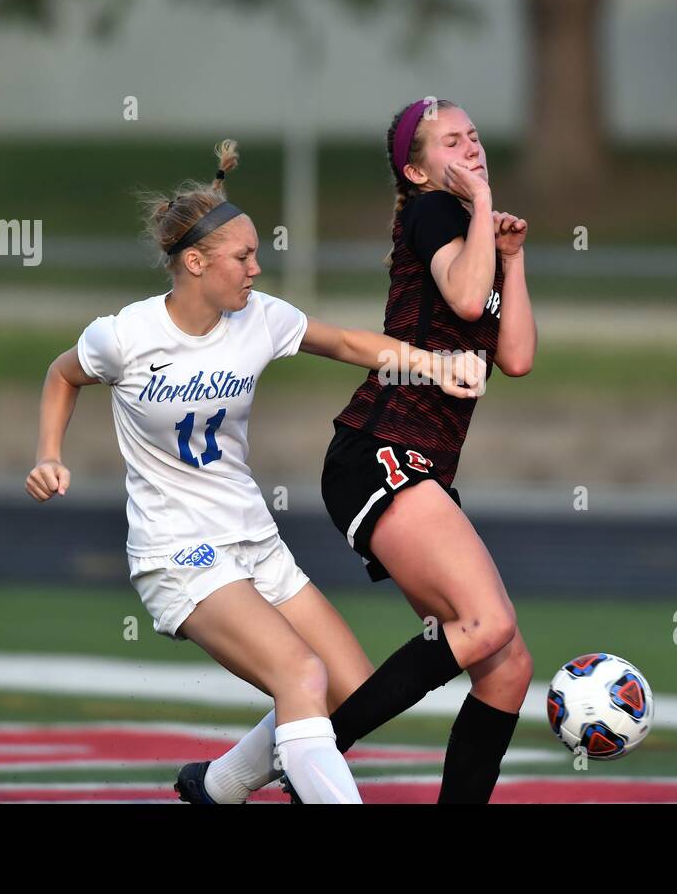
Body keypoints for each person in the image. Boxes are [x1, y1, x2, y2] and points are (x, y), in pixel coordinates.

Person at [25, 140, 484, 805]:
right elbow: (61, 374)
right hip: (177, 550)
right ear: (194, 261)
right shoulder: (124, 335)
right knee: (299, 673)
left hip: (252, 537)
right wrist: (47, 454)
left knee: (350, 690)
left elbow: (351, 344)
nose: (256, 267)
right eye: (243, 256)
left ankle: (219, 784)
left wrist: (436, 364)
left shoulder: (259, 317)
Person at [198, 98, 538, 805]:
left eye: (475, 136)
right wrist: (480, 207)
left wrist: (515, 259)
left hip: (418, 464)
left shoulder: (470, 227)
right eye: (451, 141)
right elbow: (469, 301)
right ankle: (313, 750)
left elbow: (517, 355)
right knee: (487, 625)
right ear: (416, 170)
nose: (471, 147)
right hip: (382, 449)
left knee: (506, 665)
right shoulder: (435, 211)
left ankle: (232, 776)